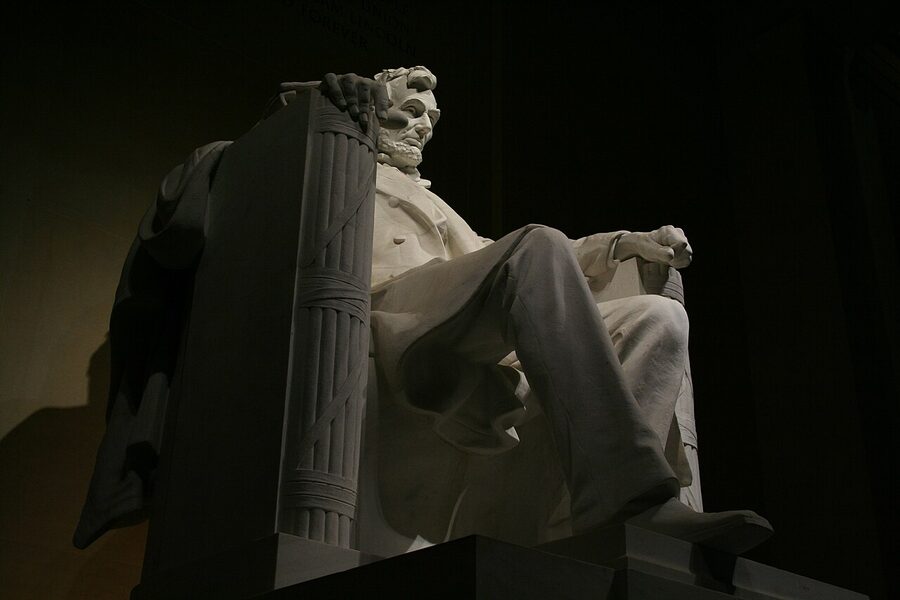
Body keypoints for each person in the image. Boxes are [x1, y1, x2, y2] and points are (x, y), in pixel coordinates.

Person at [308, 66, 773, 553]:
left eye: (432, 117)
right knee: (537, 244)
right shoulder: (328, 150)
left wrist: (620, 245)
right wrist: (322, 99)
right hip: (390, 305)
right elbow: (239, 155)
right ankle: (633, 500)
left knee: (657, 317)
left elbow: (503, 256)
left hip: (453, 305)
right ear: (373, 105)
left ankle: (586, 520)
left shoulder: (436, 203)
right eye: (411, 110)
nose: (424, 125)